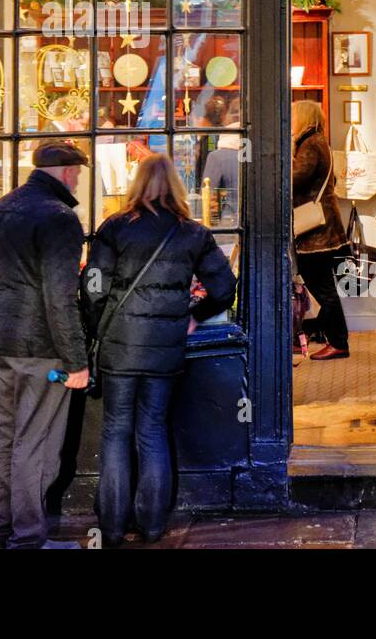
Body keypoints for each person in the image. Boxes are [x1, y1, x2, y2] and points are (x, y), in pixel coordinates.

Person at [82, 154, 236, 546]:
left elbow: (94, 287)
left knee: (116, 431)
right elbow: (223, 288)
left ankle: (112, 528)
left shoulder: (114, 228)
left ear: (137, 184)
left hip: (119, 347)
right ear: (176, 186)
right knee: (152, 431)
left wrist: (98, 324)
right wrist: (194, 317)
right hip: (165, 349)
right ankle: (152, 526)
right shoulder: (193, 233)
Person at [0, 142, 90, 549]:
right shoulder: (60, 218)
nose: (79, 179)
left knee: (3, 437)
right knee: (35, 444)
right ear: (68, 172)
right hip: (41, 352)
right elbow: (60, 298)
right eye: (78, 172)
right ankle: (29, 538)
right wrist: (76, 361)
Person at [291, 100, 352, 361]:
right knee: (324, 287)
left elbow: (295, 178)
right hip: (324, 230)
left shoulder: (310, 143)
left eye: (293, 115)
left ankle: (337, 342)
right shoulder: (317, 141)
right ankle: (333, 338)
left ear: (303, 117)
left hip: (317, 235)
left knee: (323, 288)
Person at [200, 95, 241, 225]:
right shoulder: (257, 151)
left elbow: (208, 194)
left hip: (229, 221)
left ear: (227, 117)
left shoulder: (217, 156)